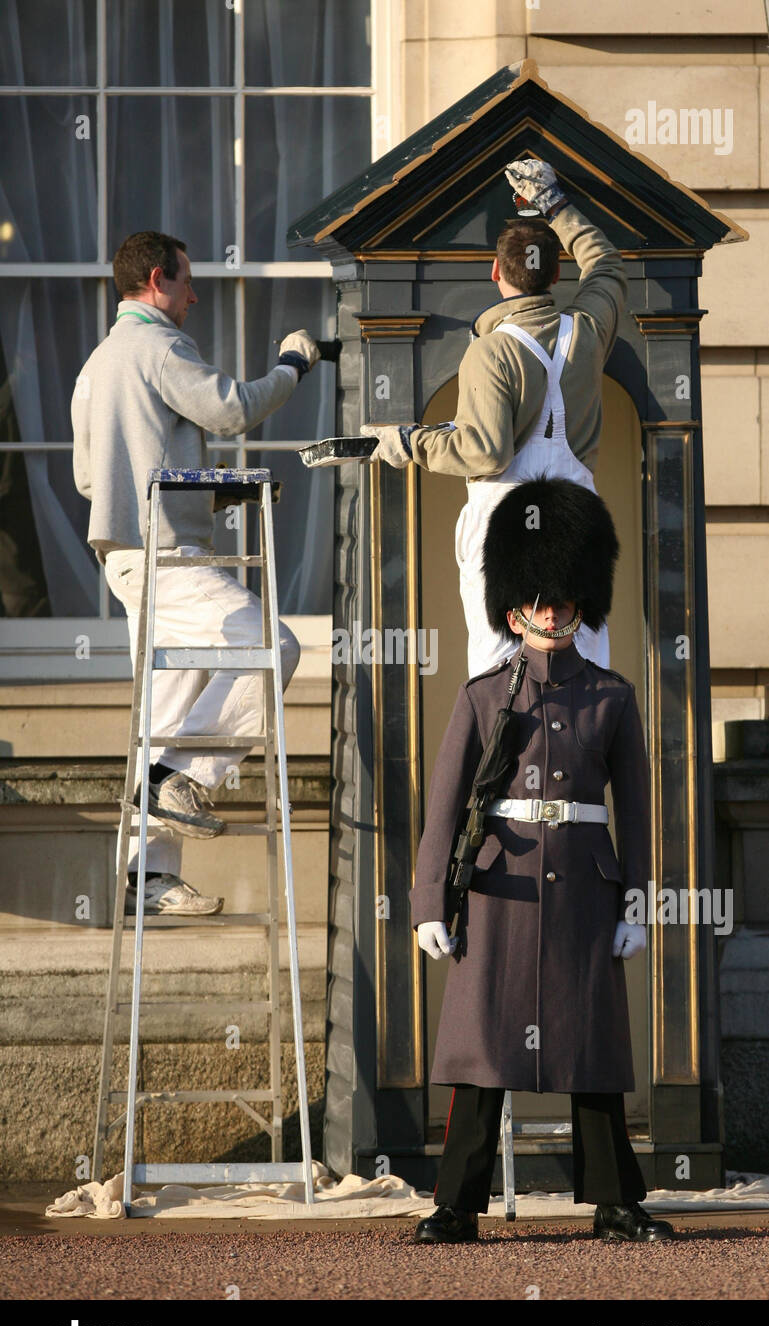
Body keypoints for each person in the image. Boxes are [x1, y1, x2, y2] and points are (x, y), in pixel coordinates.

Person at [410, 478, 673, 1244]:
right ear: (514, 604)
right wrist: (430, 902)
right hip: (500, 886)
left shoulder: (611, 698)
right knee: (480, 1048)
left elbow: (636, 809)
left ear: (579, 602)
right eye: (540, 597)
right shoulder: (484, 697)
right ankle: (457, 1202)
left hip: (585, 888)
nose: (553, 610)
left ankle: (615, 1202)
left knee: (592, 1048)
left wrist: (638, 901)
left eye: (563, 598)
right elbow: (444, 806)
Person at [72, 230, 320, 917]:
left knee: (168, 710)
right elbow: (233, 407)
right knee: (273, 647)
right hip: (165, 556)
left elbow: (103, 475)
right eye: (186, 281)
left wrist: (217, 494)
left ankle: (145, 876)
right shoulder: (159, 346)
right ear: (157, 279)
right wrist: (293, 366)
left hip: (125, 555)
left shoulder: (97, 363)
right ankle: (184, 778)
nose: (194, 295)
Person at [361, 157, 627, 678]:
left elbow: (484, 450)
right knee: (587, 667)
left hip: (505, 520)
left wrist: (408, 441)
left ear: (495, 273)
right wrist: (557, 205)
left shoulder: (490, 351)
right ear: (555, 274)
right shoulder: (589, 332)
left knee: (500, 670)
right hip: (577, 516)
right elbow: (608, 265)